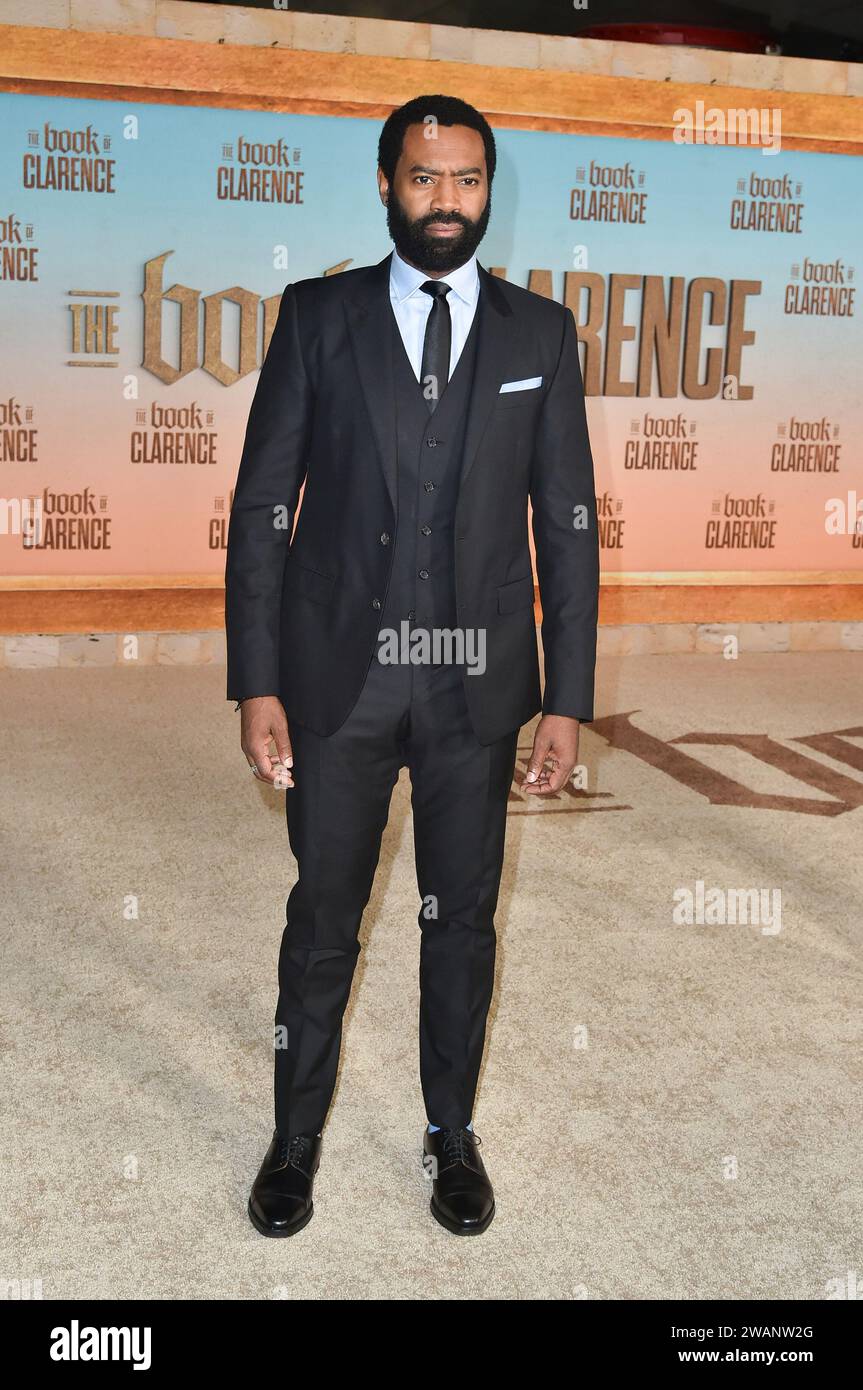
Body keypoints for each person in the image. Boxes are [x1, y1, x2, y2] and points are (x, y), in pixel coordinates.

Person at [225, 93, 599, 1238]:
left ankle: (449, 1133)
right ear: (387, 185)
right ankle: (295, 1137)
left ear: (490, 190)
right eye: (426, 179)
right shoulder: (318, 316)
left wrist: (567, 701)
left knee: (462, 922)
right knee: (323, 919)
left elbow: (567, 523)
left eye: (467, 181)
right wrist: (257, 680)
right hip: (338, 681)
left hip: (473, 690)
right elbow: (259, 511)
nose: (448, 203)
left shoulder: (540, 335)